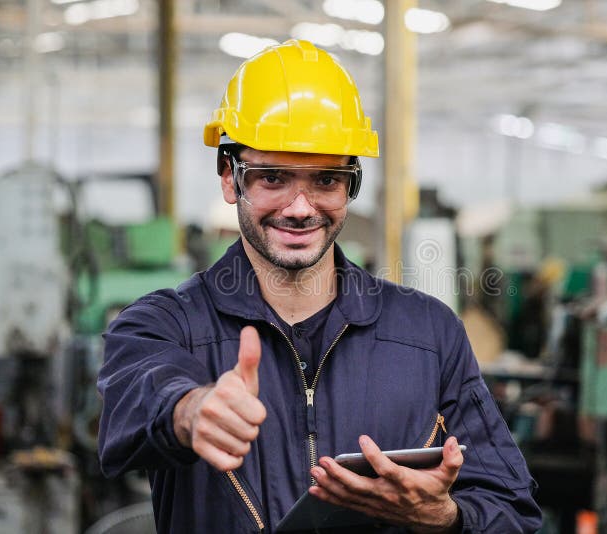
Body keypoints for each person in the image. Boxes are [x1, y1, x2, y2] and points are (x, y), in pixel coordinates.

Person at [97, 39, 541, 533]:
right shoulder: (162, 325)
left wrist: (444, 516)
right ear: (229, 177)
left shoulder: (429, 335)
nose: (301, 206)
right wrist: (192, 411)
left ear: (351, 184)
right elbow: (130, 416)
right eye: (273, 178)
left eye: (326, 181)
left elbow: (512, 511)